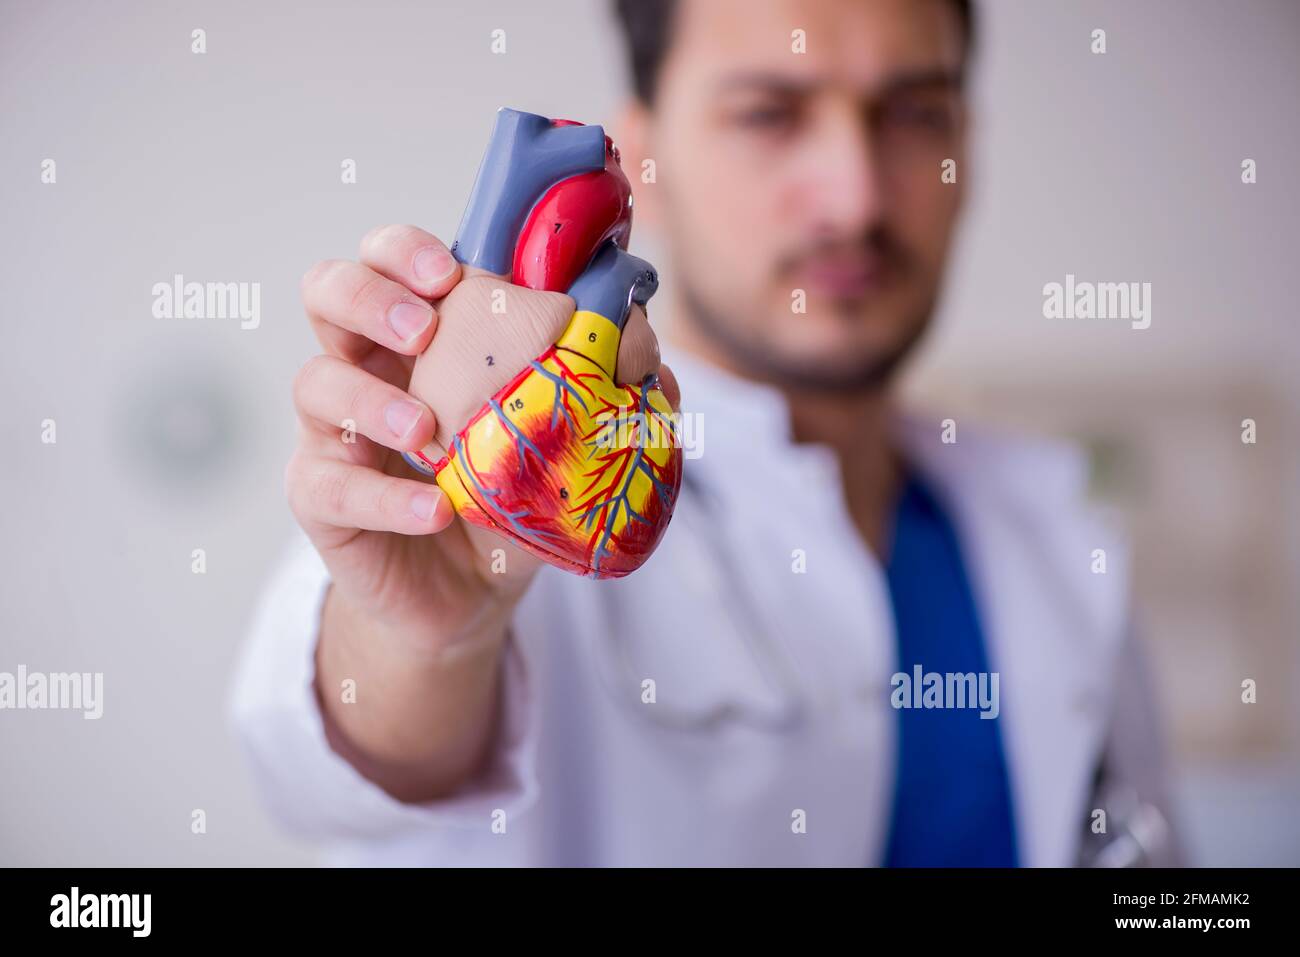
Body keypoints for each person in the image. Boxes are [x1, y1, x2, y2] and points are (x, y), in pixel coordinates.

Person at [230, 0, 1181, 866]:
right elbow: (333, 770)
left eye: (911, 114)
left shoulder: (1053, 540)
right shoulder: (490, 484)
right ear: (641, 155)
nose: (853, 197)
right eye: (769, 113)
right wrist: (425, 645)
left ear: (965, 150)